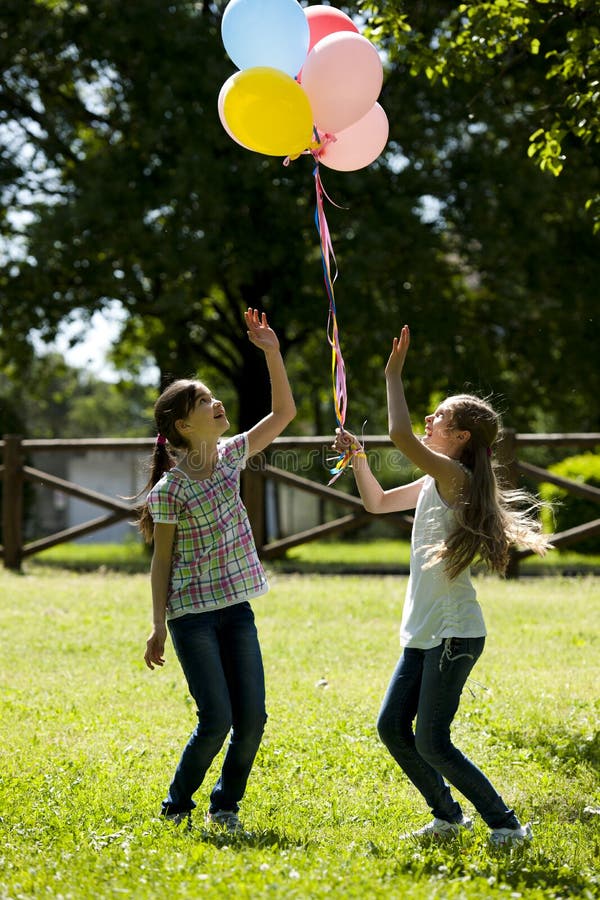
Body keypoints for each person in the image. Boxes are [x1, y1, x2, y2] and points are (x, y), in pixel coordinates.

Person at [333, 324, 550, 847]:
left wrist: (393, 374)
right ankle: (447, 817)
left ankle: (505, 825)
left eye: (441, 416)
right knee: (393, 729)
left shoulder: (456, 477)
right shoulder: (437, 480)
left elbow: (402, 436)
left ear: (460, 438)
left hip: (454, 633)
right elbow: (378, 503)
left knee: (431, 740)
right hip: (426, 631)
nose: (429, 420)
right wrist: (359, 459)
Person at [139, 308, 295, 831]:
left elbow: (283, 414)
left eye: (212, 396)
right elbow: (161, 561)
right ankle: (177, 806)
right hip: (192, 618)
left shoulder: (230, 456)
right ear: (184, 426)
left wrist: (271, 351)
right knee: (217, 721)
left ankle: (225, 806)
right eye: (204, 402)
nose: (216, 402)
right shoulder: (171, 490)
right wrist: (158, 624)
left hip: (236, 610)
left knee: (252, 720)